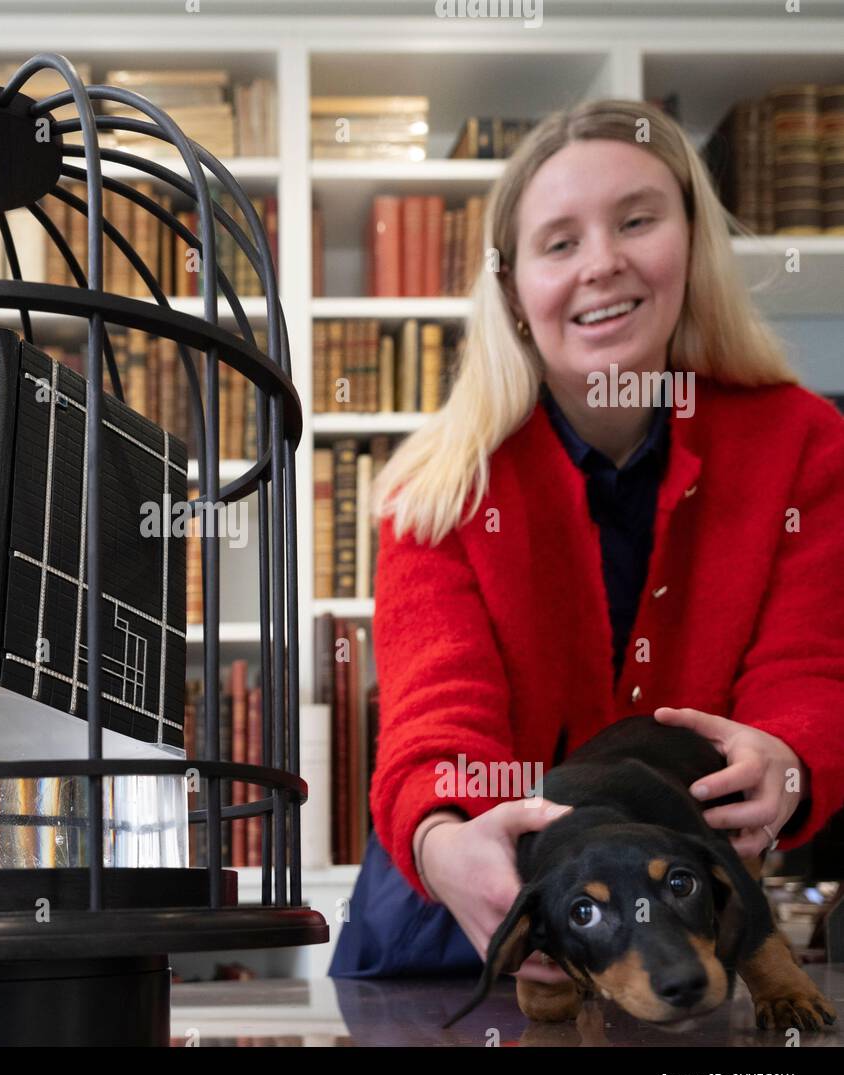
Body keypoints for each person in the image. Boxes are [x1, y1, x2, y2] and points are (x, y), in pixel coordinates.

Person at [328, 98, 844, 987]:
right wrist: (444, 842)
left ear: (692, 241)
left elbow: (807, 667)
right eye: (559, 242)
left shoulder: (803, 441)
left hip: (682, 936)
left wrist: (789, 759)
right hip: (462, 922)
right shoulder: (439, 485)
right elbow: (436, 719)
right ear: (515, 289)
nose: (603, 262)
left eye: (637, 220)